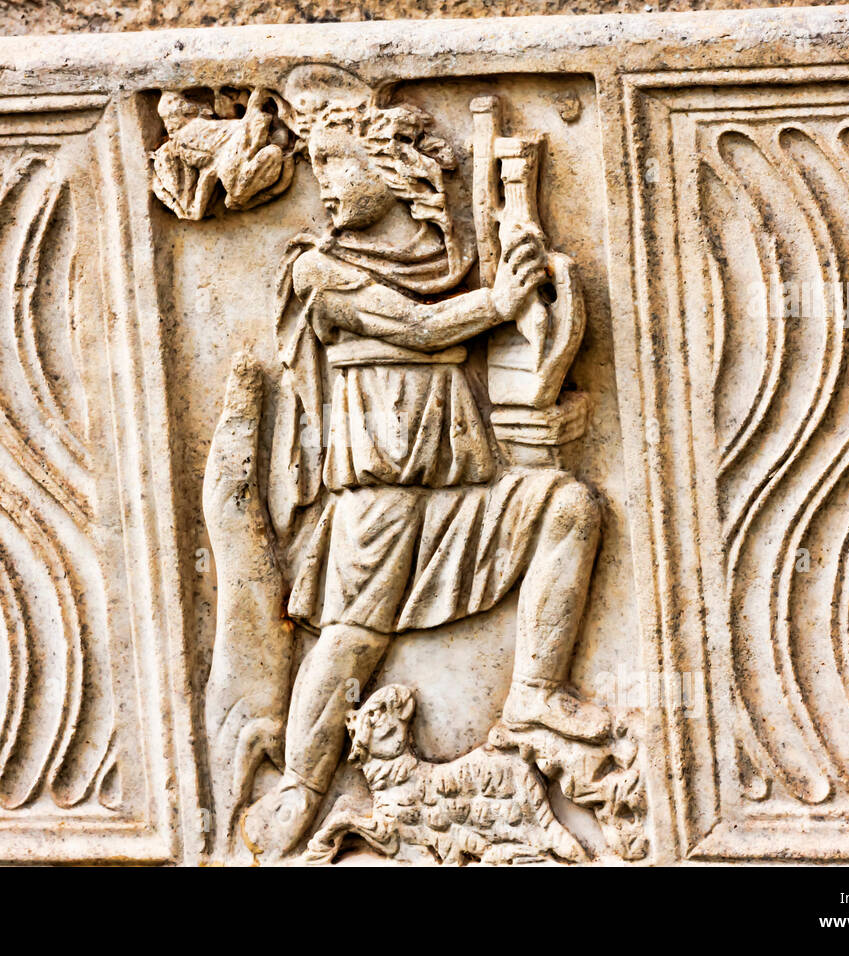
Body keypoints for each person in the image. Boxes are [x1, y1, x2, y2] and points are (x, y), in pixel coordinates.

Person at [240, 64, 609, 857]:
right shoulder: (317, 268)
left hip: (454, 491)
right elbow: (417, 327)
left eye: (337, 162)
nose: (323, 182)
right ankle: (303, 791)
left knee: (569, 506)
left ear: (393, 169)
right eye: (314, 165)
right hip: (378, 498)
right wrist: (496, 304)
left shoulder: (447, 255)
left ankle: (536, 694)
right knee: (350, 642)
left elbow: (481, 324)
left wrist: (531, 296)